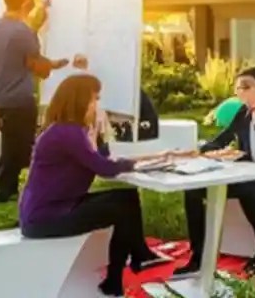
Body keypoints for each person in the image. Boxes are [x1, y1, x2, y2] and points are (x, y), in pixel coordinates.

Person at [19, 74, 168, 297]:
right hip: (46, 217)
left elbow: (101, 158)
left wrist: (100, 136)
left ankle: (135, 257)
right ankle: (120, 272)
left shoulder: (69, 130)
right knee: (121, 210)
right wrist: (135, 163)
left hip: (60, 205)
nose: (97, 106)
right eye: (94, 100)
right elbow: (105, 168)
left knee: (126, 196)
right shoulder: (67, 133)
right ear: (80, 101)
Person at [176, 66, 255, 278]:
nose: (242, 92)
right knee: (193, 191)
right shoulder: (242, 114)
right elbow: (222, 139)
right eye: (238, 88)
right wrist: (197, 151)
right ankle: (199, 255)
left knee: (247, 190)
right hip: (246, 174)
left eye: (247, 87)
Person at [0, 0, 73, 203]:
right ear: (26, 3)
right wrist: (55, 65)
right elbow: (36, 66)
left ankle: (11, 190)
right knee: (18, 150)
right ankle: (6, 193)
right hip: (19, 99)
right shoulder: (23, 32)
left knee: (14, 146)